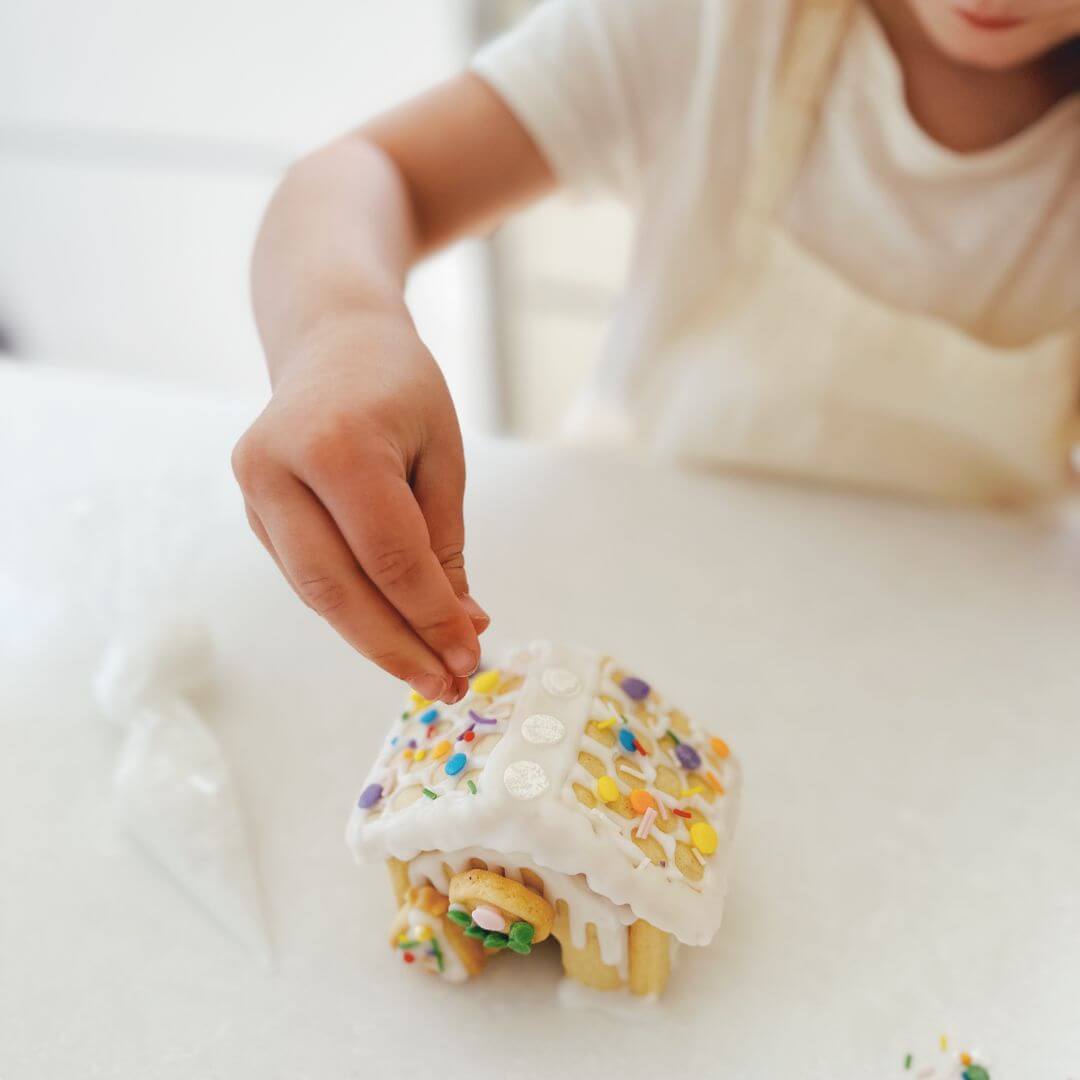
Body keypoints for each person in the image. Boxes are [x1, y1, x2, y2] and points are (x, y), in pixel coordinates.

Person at [230, 0, 1079, 704]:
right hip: (632, 613)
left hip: (955, 671)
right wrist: (339, 330)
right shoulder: (713, 23)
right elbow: (363, 171)